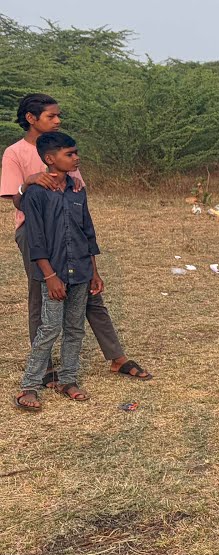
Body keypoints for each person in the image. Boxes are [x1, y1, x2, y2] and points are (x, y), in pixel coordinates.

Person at [1, 93, 152, 384]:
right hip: (36, 234)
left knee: (90, 293)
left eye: (59, 116)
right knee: (43, 295)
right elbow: (15, 200)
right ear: (31, 119)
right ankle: (43, 364)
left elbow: (76, 192)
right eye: (51, 116)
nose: (57, 121)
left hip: (70, 230)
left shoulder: (65, 149)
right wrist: (29, 182)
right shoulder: (15, 153)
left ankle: (116, 356)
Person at [14, 132, 98, 410]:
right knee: (49, 328)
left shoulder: (77, 189)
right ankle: (29, 385)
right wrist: (50, 276)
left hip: (82, 271)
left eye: (76, 153)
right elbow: (36, 240)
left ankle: (68, 379)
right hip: (55, 274)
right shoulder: (36, 193)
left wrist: (94, 272)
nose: (76, 158)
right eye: (70, 154)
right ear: (50, 159)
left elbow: (87, 232)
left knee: (75, 329)